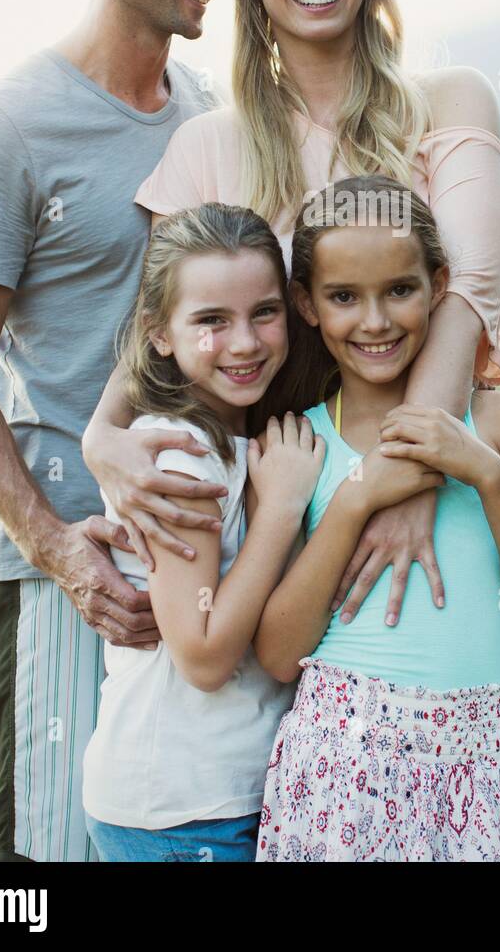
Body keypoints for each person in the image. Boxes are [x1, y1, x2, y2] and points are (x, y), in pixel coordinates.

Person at [0, 0, 246, 862]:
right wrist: (59, 553)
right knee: (31, 874)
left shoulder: (205, 113)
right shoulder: (5, 128)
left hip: (195, 578)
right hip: (64, 564)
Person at [83, 0, 500, 634]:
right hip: (275, 499)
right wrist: (100, 437)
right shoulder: (208, 144)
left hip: (426, 476)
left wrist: (405, 483)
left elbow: (471, 294)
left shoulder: (452, 101)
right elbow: (162, 326)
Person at [253, 176, 500, 861]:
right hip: (341, 776)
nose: (374, 322)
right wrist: (354, 499)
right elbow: (279, 654)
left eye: (399, 290)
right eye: (344, 297)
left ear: (438, 284)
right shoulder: (298, 444)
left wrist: (485, 472)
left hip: (482, 774)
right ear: (307, 305)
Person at [81, 203, 325, 862]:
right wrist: (280, 511)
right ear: (160, 334)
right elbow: (204, 656)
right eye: (211, 321)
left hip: (220, 798)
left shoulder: (234, 436)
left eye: (263, 313)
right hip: (181, 812)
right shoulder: (180, 451)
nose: (243, 342)